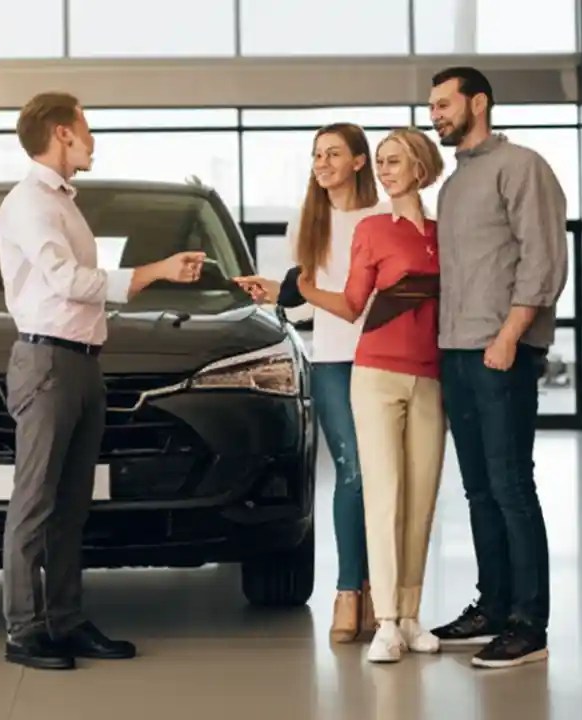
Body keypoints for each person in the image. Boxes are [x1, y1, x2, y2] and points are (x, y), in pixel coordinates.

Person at [0, 91, 206, 671]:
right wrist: (154, 272)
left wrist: (142, 280)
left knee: (71, 504)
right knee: (35, 502)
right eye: (86, 128)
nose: (92, 139)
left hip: (82, 363)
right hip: (48, 364)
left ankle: (64, 619)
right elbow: (66, 279)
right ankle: (24, 630)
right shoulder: (30, 202)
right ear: (62, 133)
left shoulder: (63, 202)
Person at [425, 66, 567, 669]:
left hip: (499, 348)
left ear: (477, 103)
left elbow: (544, 256)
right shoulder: (454, 184)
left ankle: (528, 624)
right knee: (479, 489)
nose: (434, 114)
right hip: (457, 350)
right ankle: (493, 605)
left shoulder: (522, 166)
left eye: (443, 104)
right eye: (431, 106)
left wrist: (510, 335)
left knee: (511, 485)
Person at [295, 127, 446, 664]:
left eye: (394, 161)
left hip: (430, 375)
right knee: (382, 493)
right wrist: (301, 291)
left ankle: (410, 614)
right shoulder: (372, 229)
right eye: (379, 161)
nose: (383, 170)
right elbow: (354, 302)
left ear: (420, 167)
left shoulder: (442, 230)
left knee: (420, 498)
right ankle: (383, 620)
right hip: (375, 371)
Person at [233, 123, 389, 644]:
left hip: (385, 359)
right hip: (334, 362)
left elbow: (370, 297)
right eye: (316, 154)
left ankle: (384, 599)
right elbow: (306, 297)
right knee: (354, 473)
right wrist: (275, 293)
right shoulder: (310, 221)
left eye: (333, 153)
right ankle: (350, 593)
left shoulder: (385, 219)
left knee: (386, 480)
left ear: (360, 162)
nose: (321, 163)